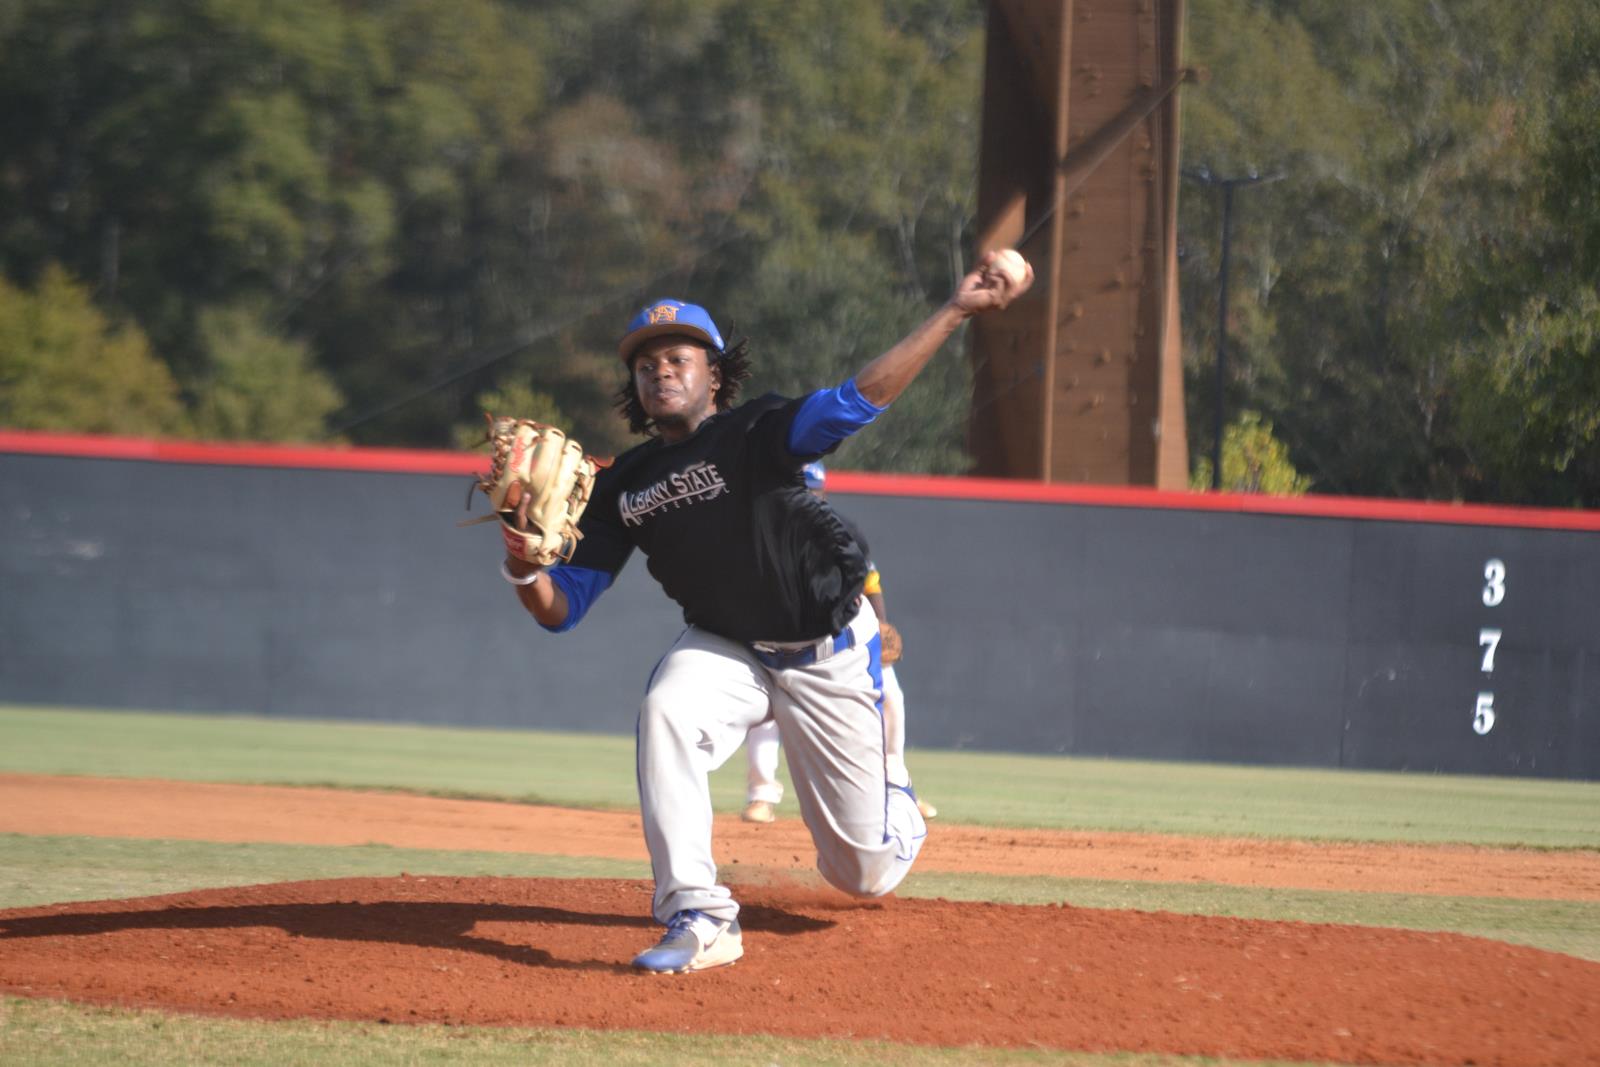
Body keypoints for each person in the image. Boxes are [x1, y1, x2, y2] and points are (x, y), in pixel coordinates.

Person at [498, 251, 1032, 974]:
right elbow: (561, 610)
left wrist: (955, 311)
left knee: (863, 873)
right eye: (645, 362)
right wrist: (524, 561)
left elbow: (858, 398)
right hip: (729, 648)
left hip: (827, 649)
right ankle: (699, 914)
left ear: (713, 373)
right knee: (666, 710)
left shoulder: (760, 430)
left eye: (678, 356)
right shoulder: (621, 483)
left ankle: (893, 796)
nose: (660, 370)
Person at [742, 460, 936, 825]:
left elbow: (869, 579)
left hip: (842, 634)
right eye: (800, 488)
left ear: (823, 493)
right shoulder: (761, 528)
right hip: (776, 636)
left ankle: (895, 785)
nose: (806, 496)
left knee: (891, 696)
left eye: (813, 490)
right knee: (765, 713)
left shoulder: (839, 528)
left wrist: (880, 624)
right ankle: (761, 796)